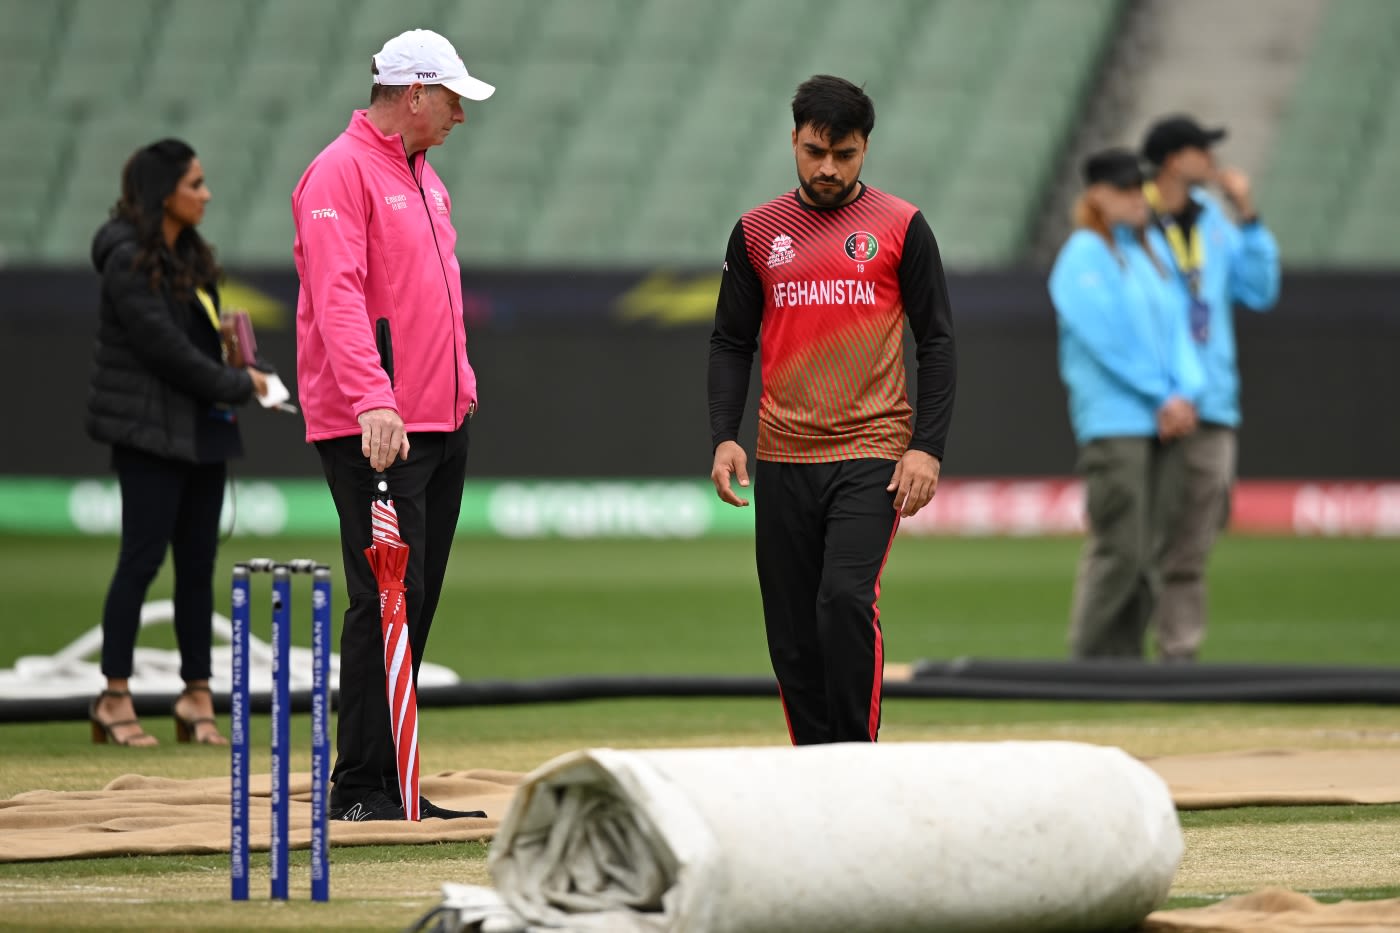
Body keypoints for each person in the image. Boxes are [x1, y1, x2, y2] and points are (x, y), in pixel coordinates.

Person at [707, 75, 956, 745]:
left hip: (872, 449)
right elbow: (730, 340)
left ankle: (857, 760)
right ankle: (815, 768)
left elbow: (938, 340)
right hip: (782, 453)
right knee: (790, 635)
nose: (827, 167)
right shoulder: (757, 232)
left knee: (843, 600)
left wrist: (926, 447)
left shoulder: (901, 226)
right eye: (815, 150)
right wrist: (724, 436)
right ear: (793, 140)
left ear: (865, 149)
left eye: (844, 154)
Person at [293, 29, 495, 820]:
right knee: (385, 599)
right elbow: (339, 297)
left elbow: (432, 295)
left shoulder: (423, 176)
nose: (459, 116)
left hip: (438, 421)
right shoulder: (339, 173)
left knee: (414, 599)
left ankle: (393, 776)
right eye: (452, 100)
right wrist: (376, 398)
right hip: (378, 427)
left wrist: (462, 380)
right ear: (413, 92)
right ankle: (361, 786)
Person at [86, 139, 269, 746]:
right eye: (196, 184)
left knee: (197, 567)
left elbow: (201, 341)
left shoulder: (190, 255)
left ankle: (196, 696)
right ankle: (114, 697)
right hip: (149, 435)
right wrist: (241, 383)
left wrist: (238, 361)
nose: (206, 194)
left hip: (202, 431)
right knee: (139, 561)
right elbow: (164, 352)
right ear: (164, 192)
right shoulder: (125, 257)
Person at [1049, 148, 1205, 659]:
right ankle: (1090, 664)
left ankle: (1126, 666)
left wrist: (1184, 392)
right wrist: (1163, 394)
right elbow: (1107, 339)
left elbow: (1182, 331)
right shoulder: (1083, 255)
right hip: (1115, 420)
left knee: (1152, 551)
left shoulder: (1149, 251)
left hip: (1165, 418)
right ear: (1097, 194)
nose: (1138, 198)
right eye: (1125, 189)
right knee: (1121, 548)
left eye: (1140, 188)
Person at [1140, 115, 1281, 661]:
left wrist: (1249, 215)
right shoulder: (1136, 217)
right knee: (1137, 541)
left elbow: (1261, 290)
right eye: (1204, 149)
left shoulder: (1218, 224)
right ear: (1176, 158)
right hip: (1148, 406)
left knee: (1193, 541)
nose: (1215, 159)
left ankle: (1178, 656)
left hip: (1213, 402)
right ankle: (1116, 658)